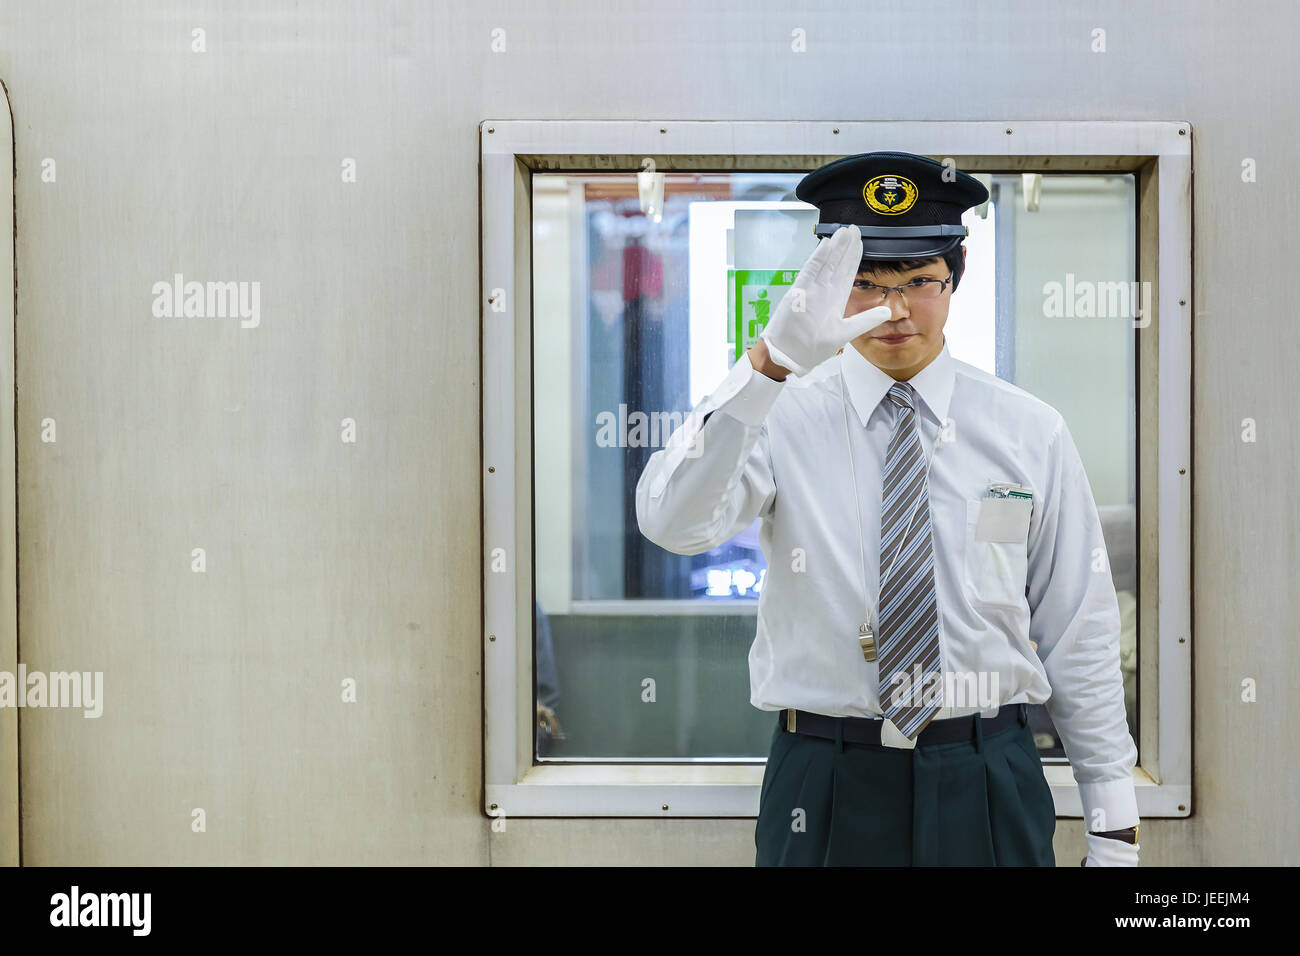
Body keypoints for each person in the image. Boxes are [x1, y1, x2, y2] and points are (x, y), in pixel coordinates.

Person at [635, 151, 1139, 866]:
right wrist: (767, 367)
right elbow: (672, 524)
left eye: (918, 282)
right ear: (828, 291)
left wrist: (1114, 831)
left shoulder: (1027, 429)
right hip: (826, 779)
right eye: (865, 284)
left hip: (987, 774)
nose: (894, 309)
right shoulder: (778, 414)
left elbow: (1078, 629)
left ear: (955, 276)